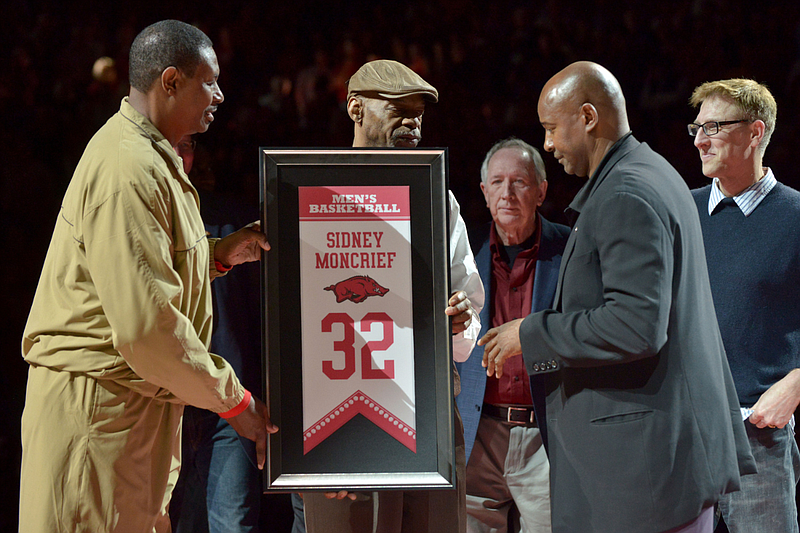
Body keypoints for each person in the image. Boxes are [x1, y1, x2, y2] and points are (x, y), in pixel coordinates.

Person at [19, 20, 277, 533]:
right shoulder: (129, 167)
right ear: (171, 81)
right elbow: (147, 328)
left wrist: (218, 256)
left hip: (124, 419)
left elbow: (143, 272)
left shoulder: (149, 156)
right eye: (209, 82)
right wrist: (236, 402)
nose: (220, 96)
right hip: (97, 422)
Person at [478, 61, 755, 533]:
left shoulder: (626, 192)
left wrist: (531, 332)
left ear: (588, 117)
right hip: (659, 466)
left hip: (645, 478)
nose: (548, 143)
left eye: (551, 128)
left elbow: (635, 324)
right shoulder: (649, 173)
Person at [302, 59, 484, 533]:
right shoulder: (312, 193)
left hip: (430, 418)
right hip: (342, 423)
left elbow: (468, 310)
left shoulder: (437, 199)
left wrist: (460, 320)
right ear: (355, 108)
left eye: (419, 113)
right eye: (399, 109)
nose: (413, 123)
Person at [687, 78, 800, 533]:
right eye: (697, 128)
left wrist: (797, 383)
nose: (700, 140)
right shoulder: (681, 213)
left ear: (755, 132)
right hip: (683, 435)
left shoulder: (795, 216)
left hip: (759, 438)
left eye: (713, 127)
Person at [456, 138, 569, 533]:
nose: (507, 193)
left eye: (519, 182)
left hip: (546, 435)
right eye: (497, 182)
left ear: (541, 191)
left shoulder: (570, 249)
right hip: (478, 432)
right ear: (484, 192)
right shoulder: (462, 253)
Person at [168, 135, 264, 533]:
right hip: (167, 401)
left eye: (188, 147)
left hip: (231, 404)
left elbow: (260, 314)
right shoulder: (144, 217)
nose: (180, 157)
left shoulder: (235, 220)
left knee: (230, 523)